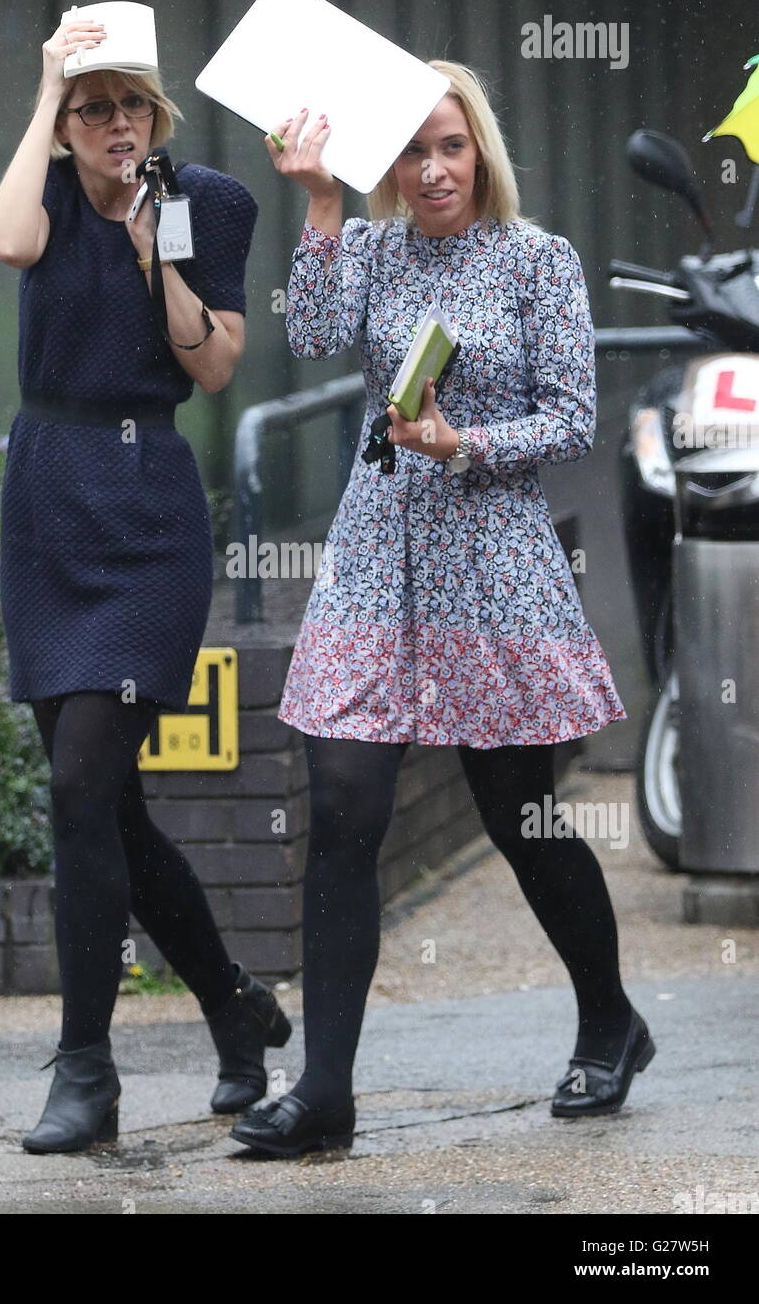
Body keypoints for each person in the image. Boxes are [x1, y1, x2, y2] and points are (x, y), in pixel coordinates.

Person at [230, 62, 654, 1159]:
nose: (431, 169)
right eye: (412, 150)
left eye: (450, 146)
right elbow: (316, 338)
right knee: (345, 806)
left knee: (522, 819)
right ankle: (325, 1091)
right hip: (377, 555)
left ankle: (610, 1017)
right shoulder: (367, 245)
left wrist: (464, 443)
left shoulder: (536, 259)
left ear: (482, 154)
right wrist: (320, 201)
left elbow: (570, 417)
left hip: (492, 563)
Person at [0, 13, 290, 1155]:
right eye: (92, 106)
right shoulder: (48, 188)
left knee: (80, 788)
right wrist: (41, 95)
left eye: (130, 106)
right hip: (48, 502)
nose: (115, 125)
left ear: (158, 113)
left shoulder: (204, 196)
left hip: (147, 510)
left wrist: (156, 246)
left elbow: (212, 364)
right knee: (105, 804)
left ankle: (87, 1070)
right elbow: (9, 243)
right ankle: (233, 1004)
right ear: (66, 122)